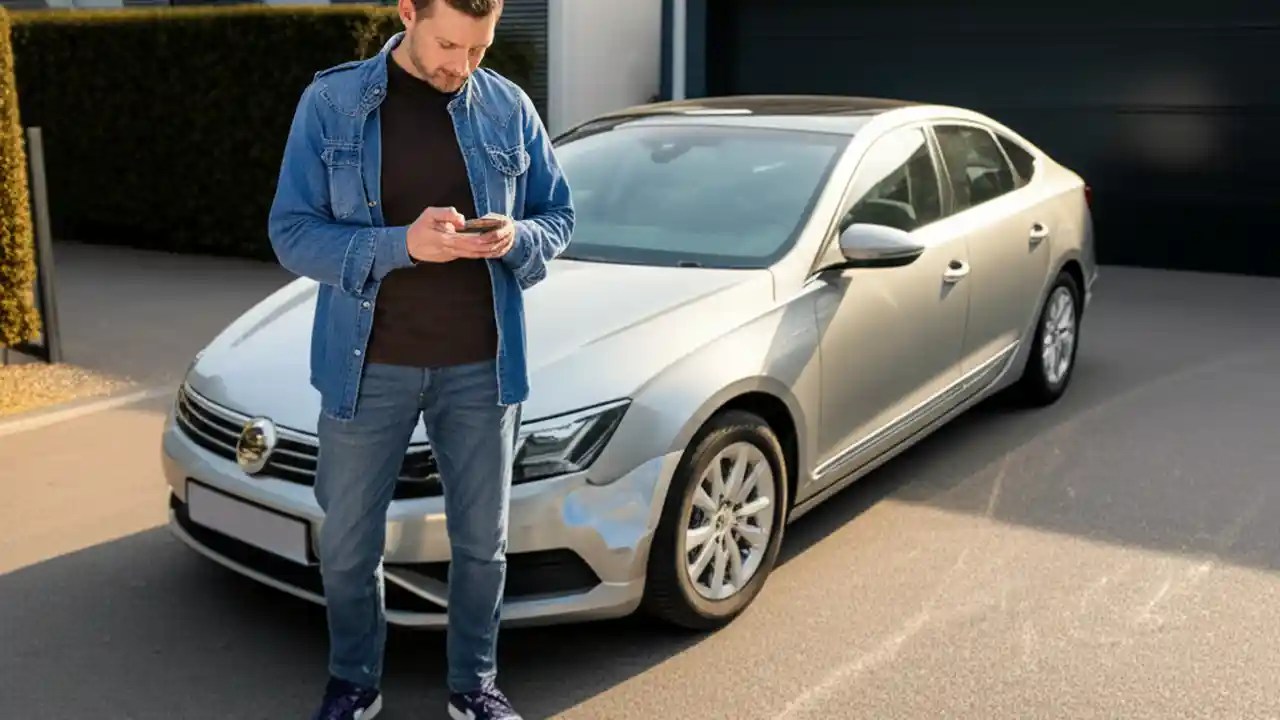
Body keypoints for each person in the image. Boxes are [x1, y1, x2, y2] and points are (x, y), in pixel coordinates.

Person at [266, 0, 574, 716]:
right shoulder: (332, 102)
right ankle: (354, 683)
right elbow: (291, 233)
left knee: (482, 545)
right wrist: (401, 244)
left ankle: (474, 687)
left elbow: (558, 215)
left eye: (478, 49)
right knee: (345, 545)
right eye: (446, 45)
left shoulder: (508, 104)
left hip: (483, 368)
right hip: (366, 366)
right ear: (406, 11)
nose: (459, 66)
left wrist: (516, 236)